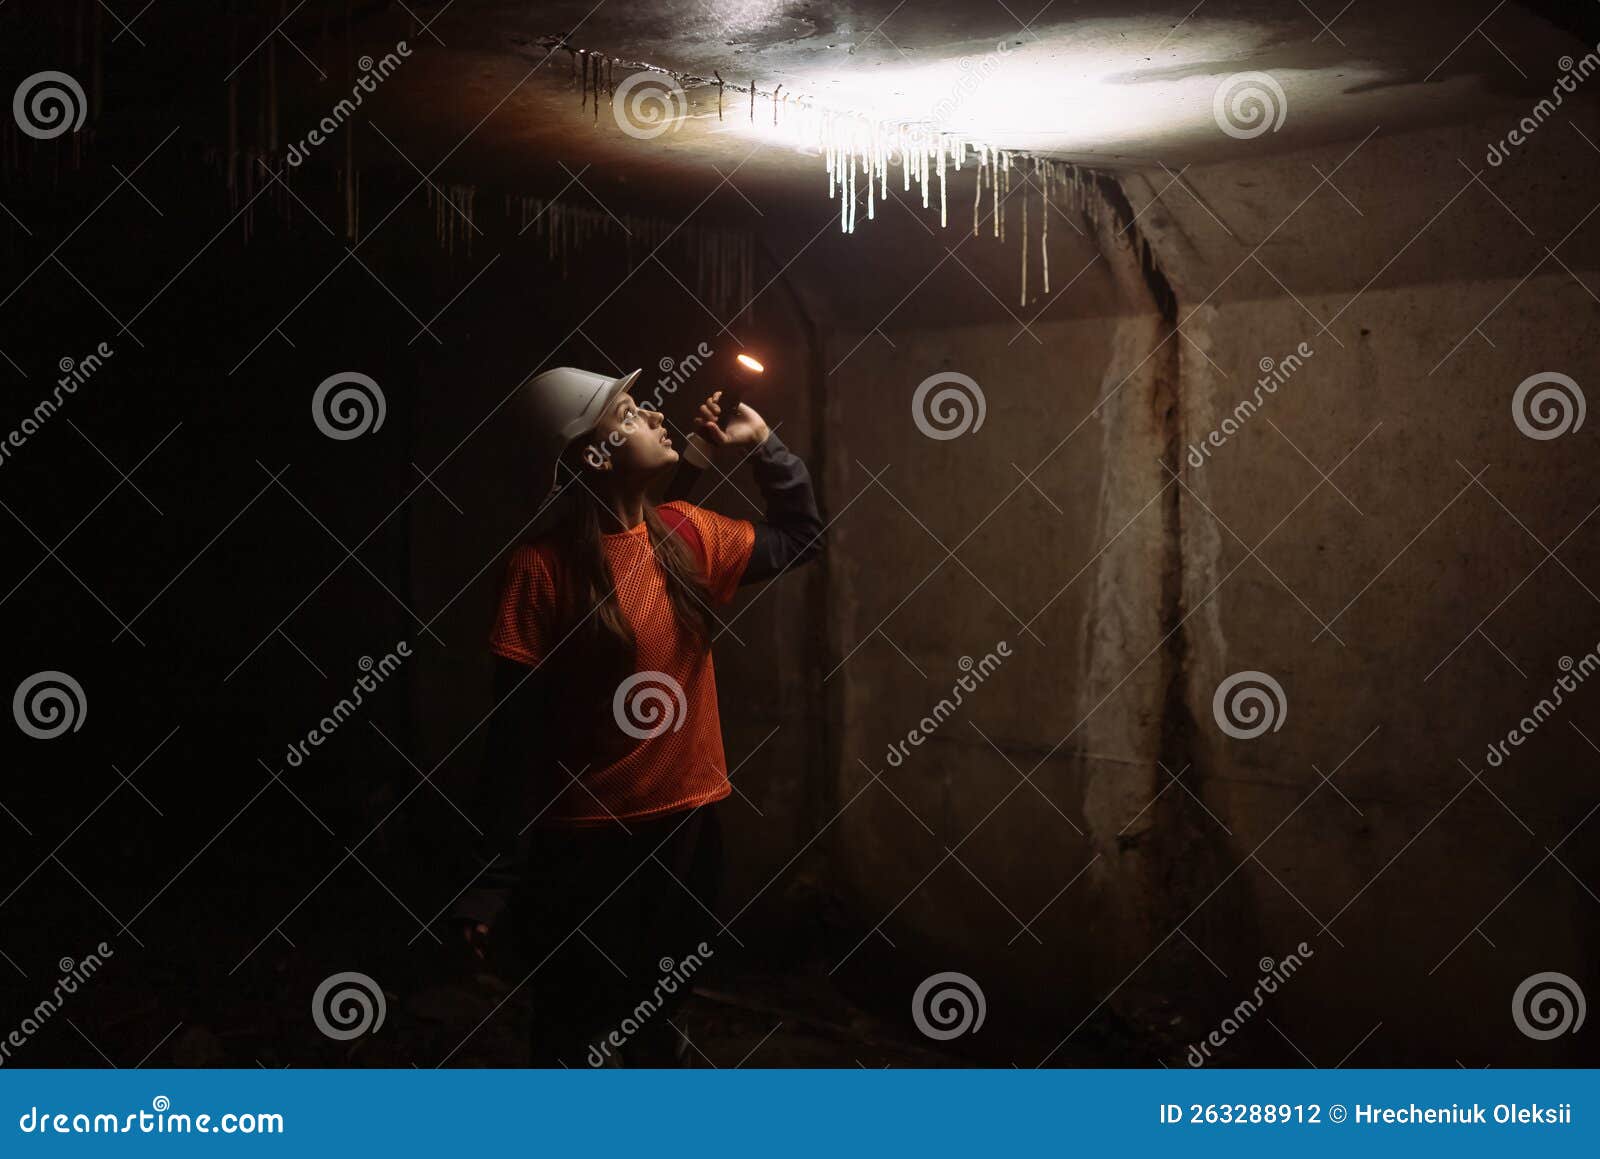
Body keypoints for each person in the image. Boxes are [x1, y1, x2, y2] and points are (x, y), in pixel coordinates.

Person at [450, 365, 823, 1067]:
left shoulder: (687, 534)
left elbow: (802, 535)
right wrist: (490, 883)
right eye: (628, 412)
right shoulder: (540, 571)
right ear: (595, 455)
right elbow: (511, 737)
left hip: (686, 837)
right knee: (572, 1034)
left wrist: (763, 445)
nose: (655, 414)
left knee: (655, 1025)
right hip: (584, 854)